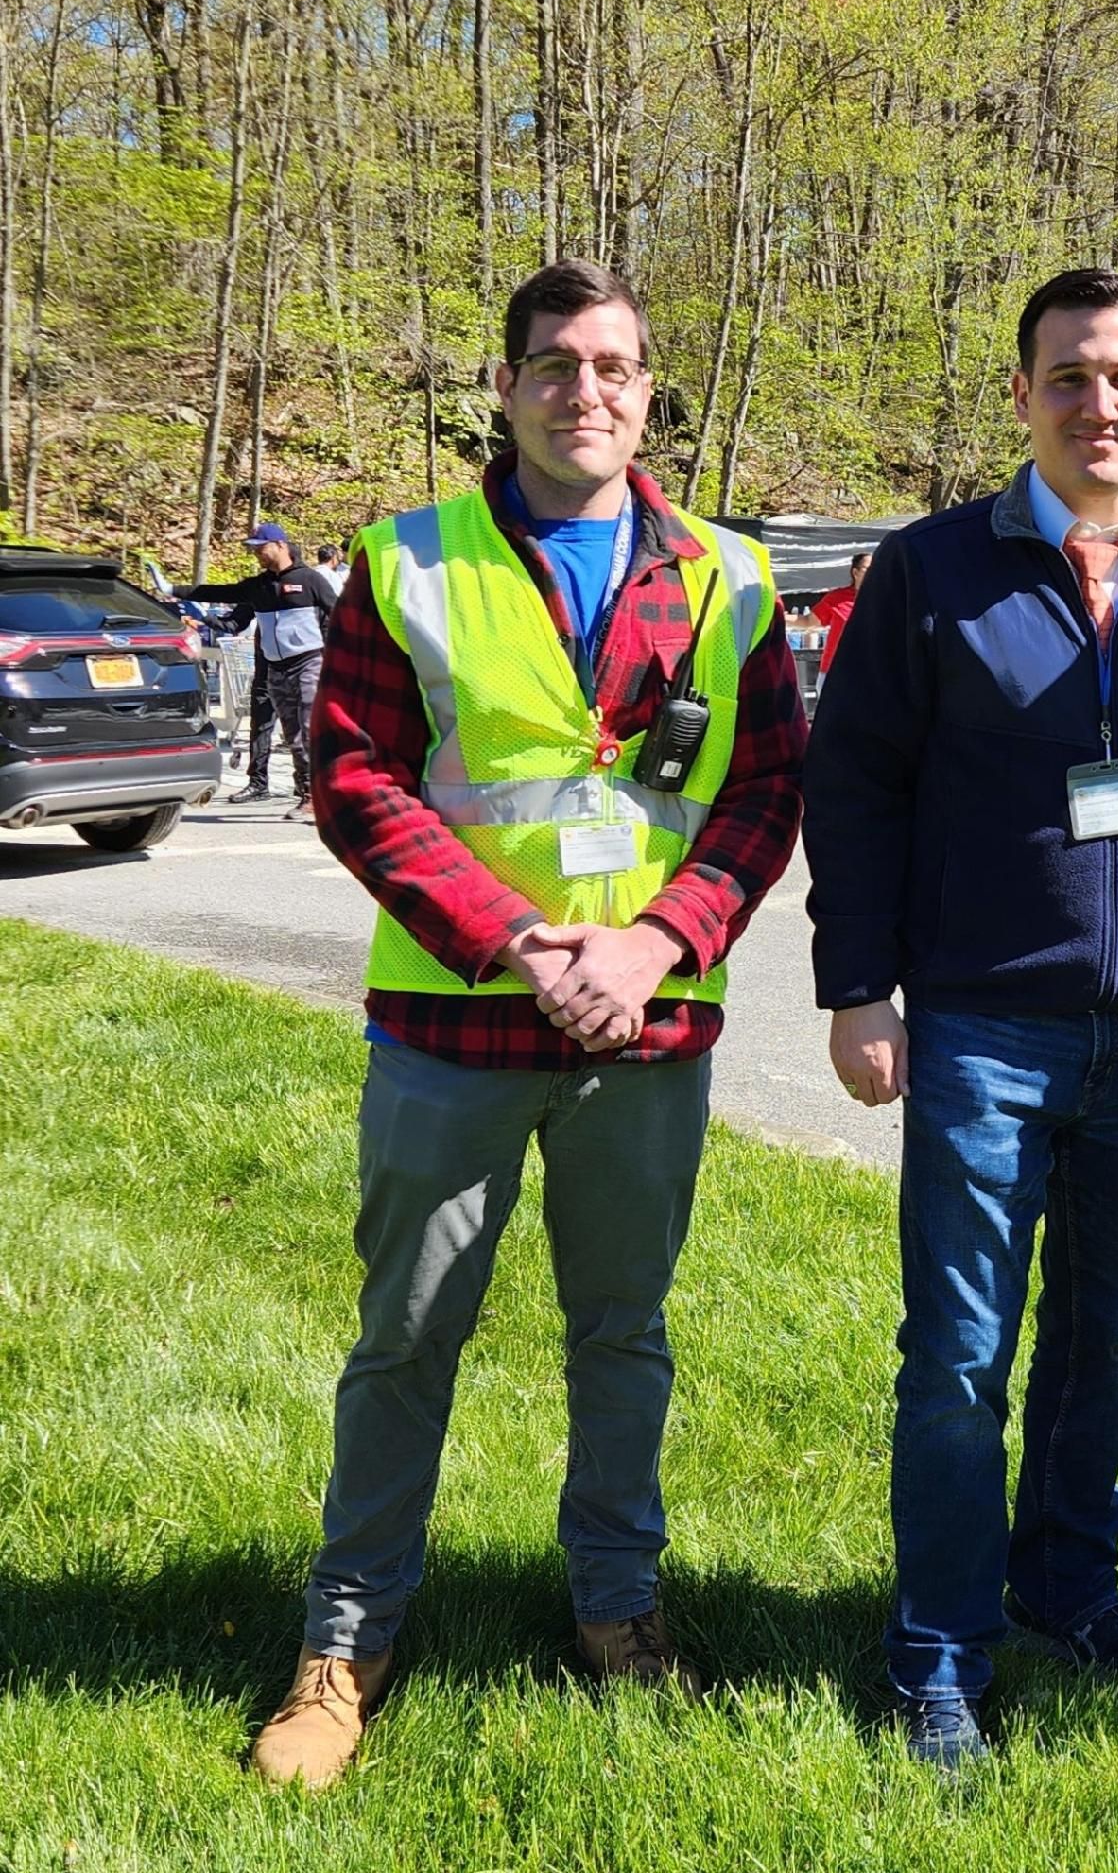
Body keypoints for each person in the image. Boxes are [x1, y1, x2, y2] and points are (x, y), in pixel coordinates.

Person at [248, 258, 808, 1789]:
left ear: (648, 392)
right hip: (456, 1030)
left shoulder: (728, 578)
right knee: (406, 1340)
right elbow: (352, 776)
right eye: (556, 364)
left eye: (616, 367)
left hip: (650, 1035)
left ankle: (618, 1610)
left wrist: (654, 943)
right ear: (504, 388)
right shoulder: (407, 562)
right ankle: (345, 1640)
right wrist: (512, 940)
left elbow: (763, 795)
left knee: (621, 1338)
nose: (587, 392)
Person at [803, 267, 1118, 1771]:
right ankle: (937, 1647)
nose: (1102, 404)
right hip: (978, 1036)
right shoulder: (933, 570)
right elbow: (857, 784)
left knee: (1104, 1341)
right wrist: (857, 988)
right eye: (1071, 376)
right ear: (1022, 396)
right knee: (958, 1355)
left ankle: (1066, 1586)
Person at [184, 526, 338, 819]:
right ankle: (297, 789)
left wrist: (332, 654)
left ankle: (317, 795)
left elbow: (340, 614)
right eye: (252, 548)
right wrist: (192, 608)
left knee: (309, 731)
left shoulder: (310, 579)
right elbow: (232, 618)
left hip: (309, 663)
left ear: (280, 545)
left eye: (260, 547)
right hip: (272, 666)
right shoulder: (259, 586)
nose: (256, 553)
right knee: (290, 734)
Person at [810, 548, 870, 677]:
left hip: (870, 674)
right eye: (867, 569)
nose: (873, 572)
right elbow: (809, 622)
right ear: (855, 572)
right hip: (834, 672)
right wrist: (779, 617)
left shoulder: (886, 599)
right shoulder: (836, 598)